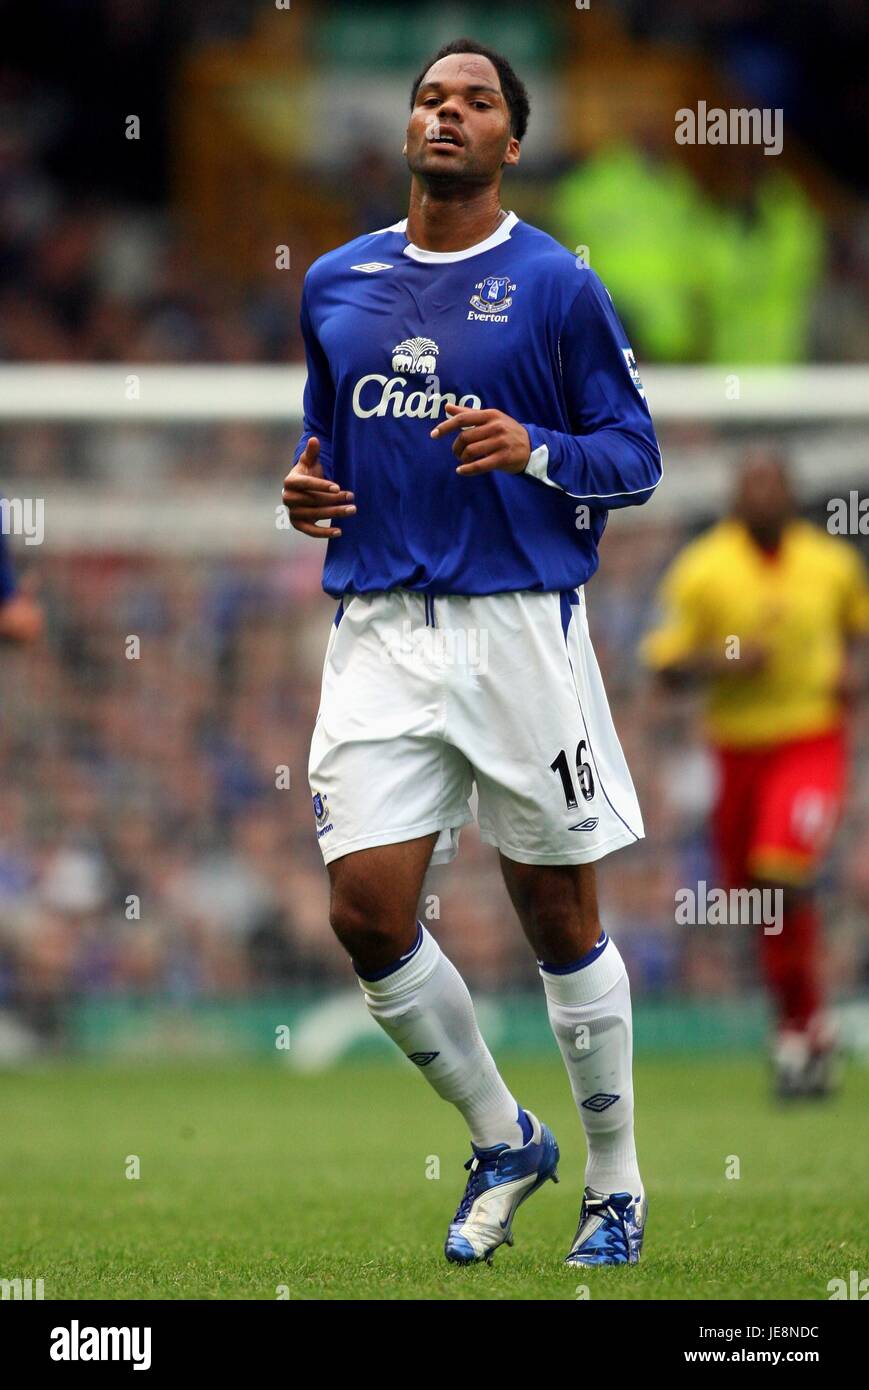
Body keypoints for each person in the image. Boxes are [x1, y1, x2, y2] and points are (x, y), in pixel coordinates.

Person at [282, 39, 662, 1266]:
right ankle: (503, 1135)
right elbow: (322, 440)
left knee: (556, 915)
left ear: (510, 142)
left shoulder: (556, 286)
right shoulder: (336, 282)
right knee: (363, 910)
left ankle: (615, 1181)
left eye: (476, 102)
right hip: (381, 629)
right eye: (430, 97)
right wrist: (303, 489)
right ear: (408, 127)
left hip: (515, 625)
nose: (447, 113)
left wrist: (536, 449)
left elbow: (634, 457)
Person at [641, 447, 868, 1098]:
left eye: (773, 484)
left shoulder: (831, 564)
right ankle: (804, 1029)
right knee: (760, 900)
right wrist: (722, 661)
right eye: (751, 485)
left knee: (779, 869)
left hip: (808, 740)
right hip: (733, 749)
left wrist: (850, 670)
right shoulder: (702, 569)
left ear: (790, 494)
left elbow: (856, 630)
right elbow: (662, 664)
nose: (762, 495)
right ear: (736, 497)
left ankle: (799, 1031)